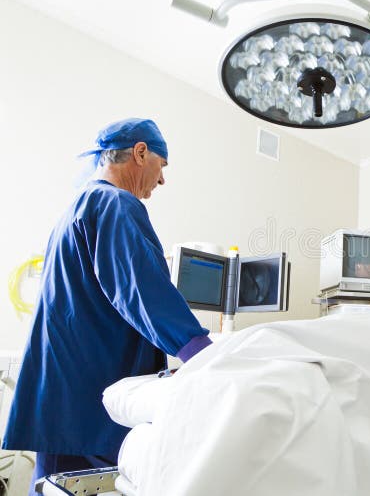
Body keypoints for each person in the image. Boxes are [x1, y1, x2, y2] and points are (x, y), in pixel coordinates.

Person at [1, 118, 212, 493]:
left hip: (61, 398)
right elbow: (140, 288)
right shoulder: (115, 203)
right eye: (162, 166)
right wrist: (203, 356)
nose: (161, 180)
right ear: (140, 153)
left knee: (52, 486)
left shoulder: (75, 209)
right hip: (95, 399)